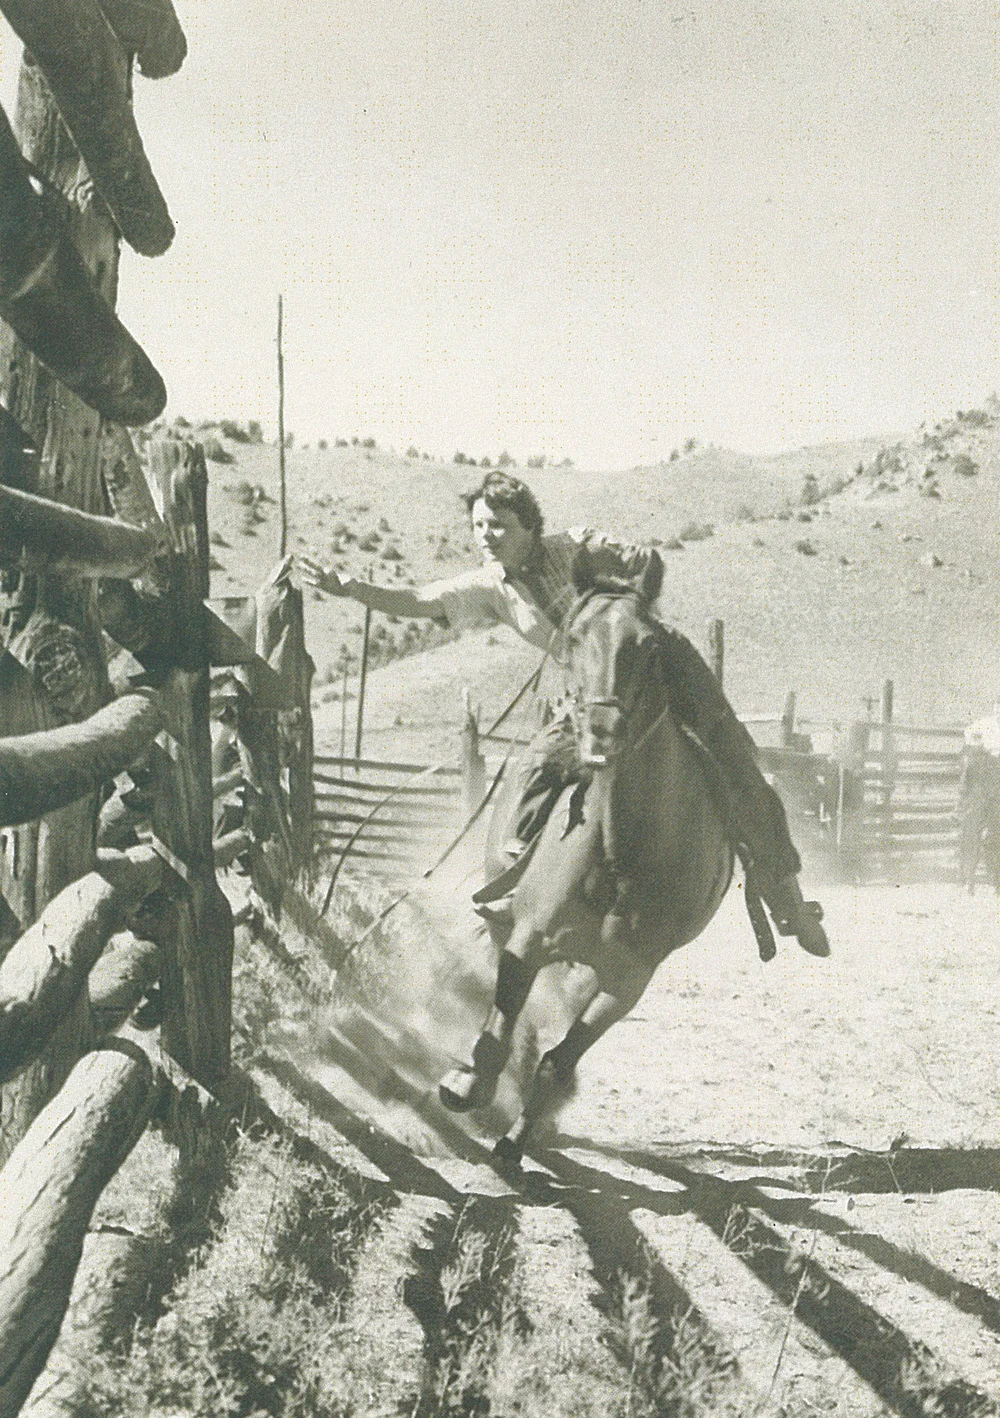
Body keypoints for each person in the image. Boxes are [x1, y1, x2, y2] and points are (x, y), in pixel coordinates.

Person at [298, 471, 829, 955]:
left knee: (735, 759)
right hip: (591, 692)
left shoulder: (575, 547)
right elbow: (418, 598)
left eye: (498, 525)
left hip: (660, 665)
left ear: (529, 525)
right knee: (537, 767)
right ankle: (516, 891)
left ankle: (787, 898)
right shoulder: (489, 587)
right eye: (478, 525)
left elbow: (645, 562)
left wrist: (625, 584)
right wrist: (348, 589)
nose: (486, 536)